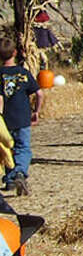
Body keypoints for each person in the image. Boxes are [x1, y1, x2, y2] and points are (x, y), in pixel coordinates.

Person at [0, 38, 42, 195]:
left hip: (6, 120)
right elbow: (39, 93)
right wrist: (36, 111)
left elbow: (0, 99)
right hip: (23, 118)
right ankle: (20, 173)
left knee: (7, 149)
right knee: (23, 148)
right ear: (15, 53)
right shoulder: (23, 73)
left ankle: (10, 180)